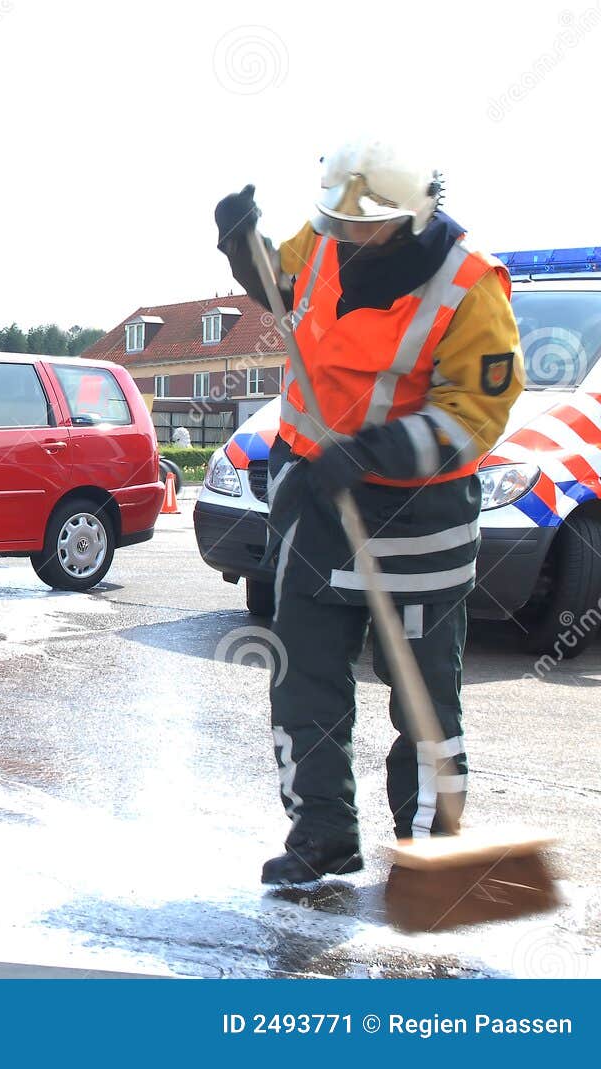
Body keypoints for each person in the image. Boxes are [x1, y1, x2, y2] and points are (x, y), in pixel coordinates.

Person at [213, 140, 523, 885]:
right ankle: (322, 836)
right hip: (317, 499)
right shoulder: (327, 236)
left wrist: (376, 450)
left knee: (424, 701)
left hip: (417, 515)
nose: (345, 237)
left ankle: (428, 849)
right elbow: (281, 286)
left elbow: (474, 415)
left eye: (363, 226)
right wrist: (241, 246)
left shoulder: (469, 286)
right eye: (338, 222)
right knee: (304, 681)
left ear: (410, 217)